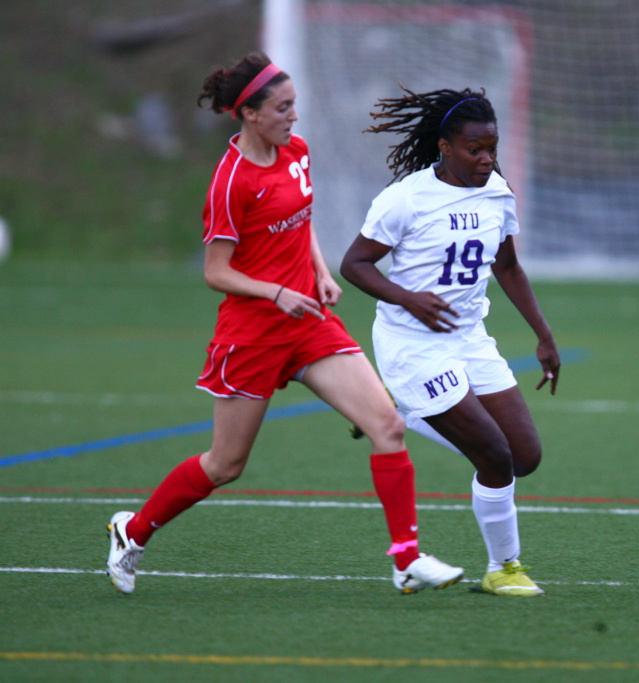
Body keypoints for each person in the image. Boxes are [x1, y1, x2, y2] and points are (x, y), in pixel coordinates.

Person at [105, 52, 462, 596]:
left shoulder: (295, 151)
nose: (294, 116)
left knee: (387, 425)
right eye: (283, 107)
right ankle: (130, 532)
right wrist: (276, 291)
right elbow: (215, 272)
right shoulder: (230, 183)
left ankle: (406, 558)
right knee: (225, 465)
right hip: (251, 334)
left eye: (294, 105)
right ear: (250, 113)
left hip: (308, 324)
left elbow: (301, 219)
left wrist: (318, 274)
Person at [340, 86, 560, 597]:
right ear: (445, 146)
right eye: (474, 149)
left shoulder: (496, 190)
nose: (486, 159)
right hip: (412, 344)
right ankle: (504, 569)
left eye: (492, 148)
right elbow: (354, 264)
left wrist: (543, 335)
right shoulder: (406, 199)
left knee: (524, 456)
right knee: (494, 456)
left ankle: (391, 410)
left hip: (469, 338)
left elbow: (506, 265)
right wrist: (407, 297)